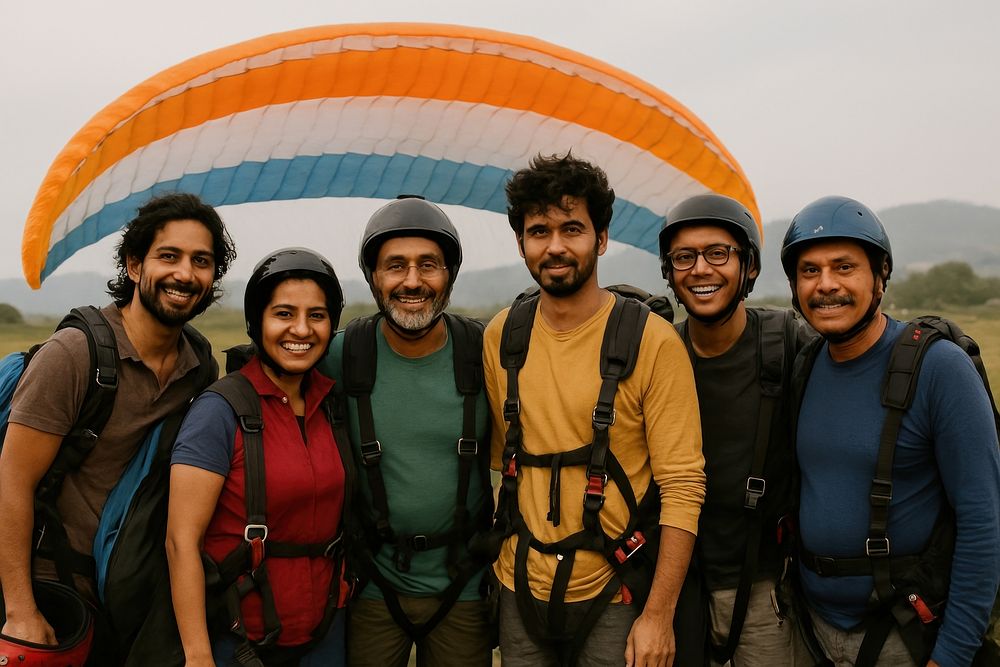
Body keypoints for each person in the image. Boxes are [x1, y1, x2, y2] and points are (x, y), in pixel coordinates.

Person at [482, 153, 705, 666]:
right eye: (539, 231)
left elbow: (683, 487)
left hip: (614, 593)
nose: (555, 246)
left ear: (601, 238)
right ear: (521, 243)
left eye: (572, 228)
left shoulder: (651, 342)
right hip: (520, 588)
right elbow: (501, 461)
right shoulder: (502, 337)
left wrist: (658, 615)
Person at [0, 192, 235, 659]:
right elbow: (11, 482)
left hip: (132, 597)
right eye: (168, 256)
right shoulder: (74, 354)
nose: (185, 274)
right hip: (55, 593)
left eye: (201, 261)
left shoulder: (199, 366)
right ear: (133, 265)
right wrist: (21, 610)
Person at [781, 196, 1000, 667]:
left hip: (904, 633)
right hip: (811, 627)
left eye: (844, 267)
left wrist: (954, 654)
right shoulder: (805, 366)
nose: (826, 285)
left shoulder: (940, 369)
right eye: (809, 270)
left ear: (880, 277)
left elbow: (983, 521)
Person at [319, 196, 493, 667]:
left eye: (428, 265)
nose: (412, 281)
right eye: (395, 266)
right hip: (373, 584)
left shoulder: (486, 354)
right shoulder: (341, 355)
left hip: (465, 586)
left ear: (449, 276)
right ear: (373, 277)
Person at [166, 248, 351, 666]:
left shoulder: (331, 404)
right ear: (257, 322)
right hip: (239, 639)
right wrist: (198, 656)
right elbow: (181, 543)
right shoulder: (219, 411)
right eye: (284, 313)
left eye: (317, 315)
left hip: (324, 631)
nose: (301, 329)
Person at [659, 193, 812, 666]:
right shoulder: (657, 353)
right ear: (669, 272)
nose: (700, 269)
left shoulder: (788, 342)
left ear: (748, 267)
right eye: (684, 257)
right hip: (678, 587)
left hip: (766, 590)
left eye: (718, 253)